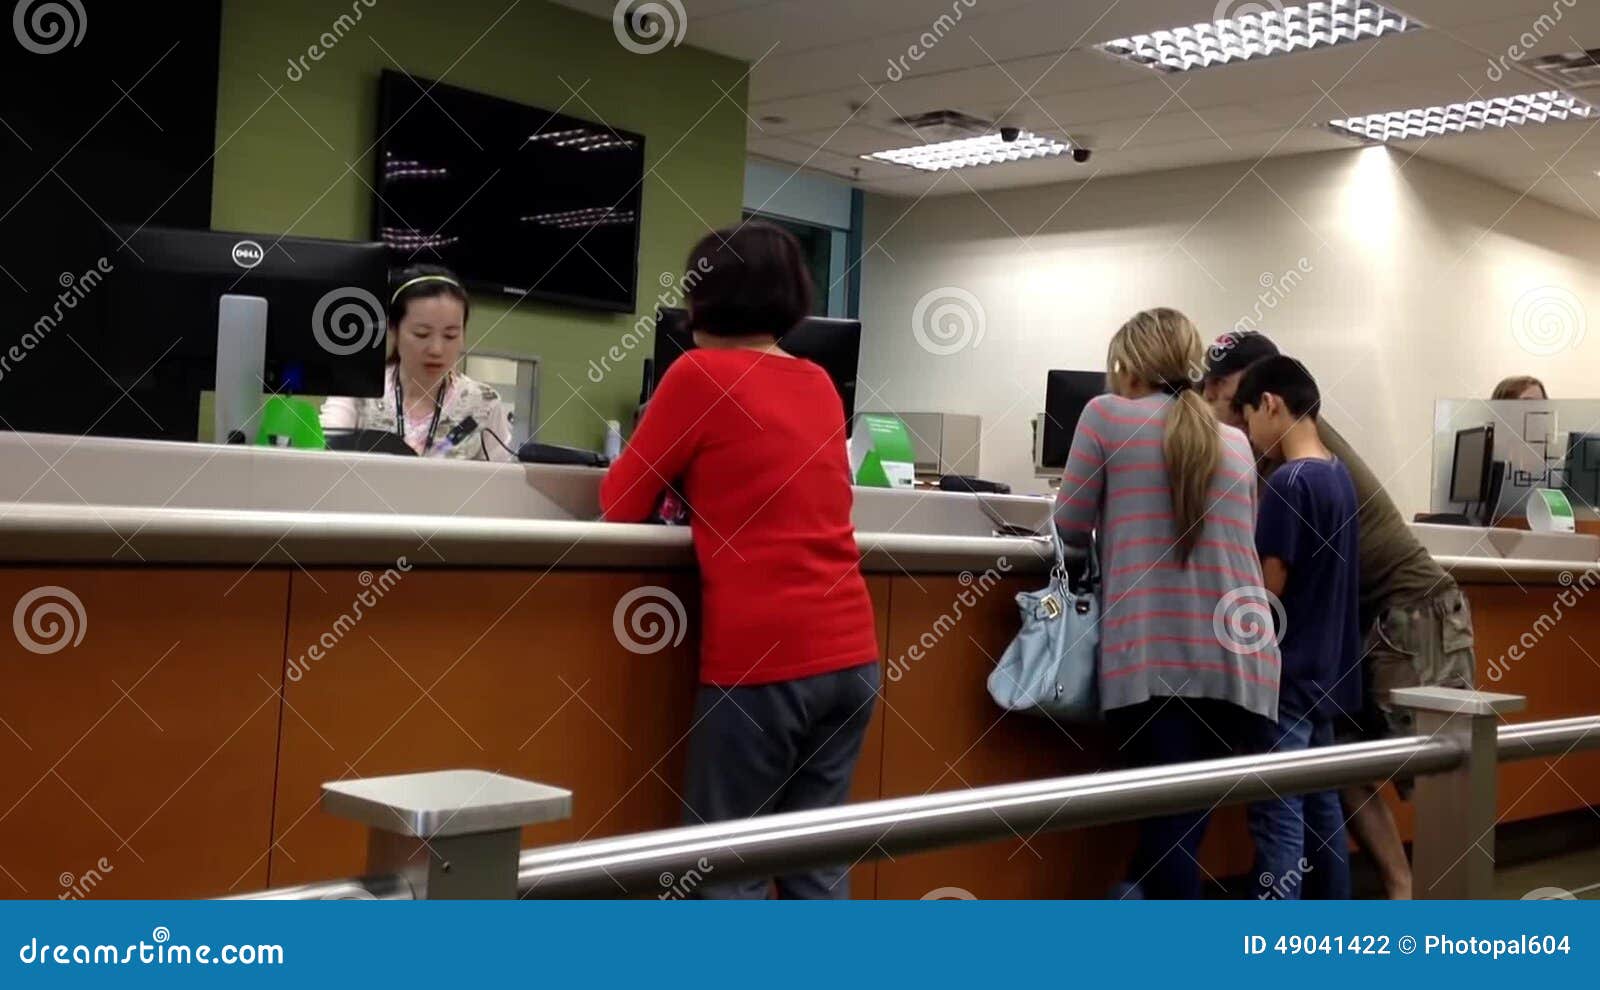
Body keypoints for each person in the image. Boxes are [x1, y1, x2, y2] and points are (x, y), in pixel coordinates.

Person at [598, 223, 879, 898]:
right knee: (813, 867)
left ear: (699, 300)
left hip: (764, 660)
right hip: (851, 654)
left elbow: (619, 502)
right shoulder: (815, 380)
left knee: (724, 875)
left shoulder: (697, 375)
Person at [1204, 331, 1475, 900]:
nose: (1217, 407)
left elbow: (1271, 575)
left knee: (1427, 774)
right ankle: (1400, 890)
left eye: (1227, 394)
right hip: (1350, 633)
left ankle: (1450, 908)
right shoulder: (1305, 457)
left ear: (1267, 394)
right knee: (1340, 773)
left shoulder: (1290, 466)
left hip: (1410, 610)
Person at [1054, 308, 1280, 900]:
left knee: (1170, 834)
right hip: (1240, 663)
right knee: (1177, 830)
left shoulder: (1104, 415)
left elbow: (1069, 525)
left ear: (1127, 365)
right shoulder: (1233, 439)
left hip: (1153, 657)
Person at [1232, 356, 1360, 900]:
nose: (1249, 438)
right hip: (1327, 675)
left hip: (1286, 677)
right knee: (1322, 806)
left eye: (1247, 422)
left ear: (1270, 404)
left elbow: (1269, 592)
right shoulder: (1339, 475)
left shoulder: (1288, 482)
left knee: (1278, 814)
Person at [320, 264, 515, 461]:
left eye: (450, 335)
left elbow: (502, 481)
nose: (436, 349)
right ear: (393, 330)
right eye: (421, 334)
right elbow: (323, 456)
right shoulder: (357, 390)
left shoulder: (483, 404)